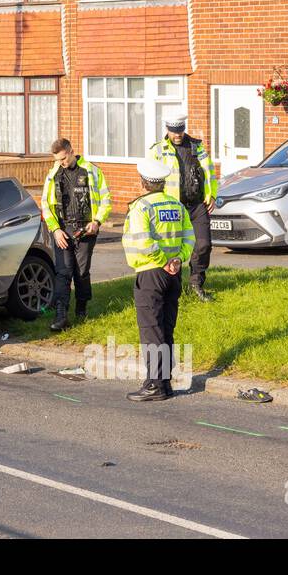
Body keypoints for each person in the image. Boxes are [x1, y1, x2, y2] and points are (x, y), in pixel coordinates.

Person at [121, 158, 195, 402]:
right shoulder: (177, 206)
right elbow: (189, 239)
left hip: (151, 272)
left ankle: (154, 385)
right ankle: (164, 381)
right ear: (162, 183)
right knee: (166, 328)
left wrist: (162, 260)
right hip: (173, 274)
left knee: (151, 330)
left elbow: (144, 242)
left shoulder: (141, 208)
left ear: (143, 182)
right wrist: (177, 260)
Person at [40, 138, 110, 331]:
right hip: (63, 230)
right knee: (63, 272)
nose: (61, 162)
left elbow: (106, 199)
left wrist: (97, 222)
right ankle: (61, 314)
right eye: (57, 159)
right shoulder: (53, 174)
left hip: (86, 229)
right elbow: (45, 205)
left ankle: (81, 309)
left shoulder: (91, 171)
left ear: (71, 151)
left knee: (81, 272)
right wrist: (55, 230)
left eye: (63, 158)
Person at [150, 109, 217, 301]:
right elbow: (150, 178)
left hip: (197, 205)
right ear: (167, 129)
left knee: (203, 244)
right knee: (172, 247)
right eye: (173, 131)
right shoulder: (157, 150)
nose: (177, 134)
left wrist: (211, 195)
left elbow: (209, 172)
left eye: (180, 130)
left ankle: (196, 283)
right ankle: (172, 286)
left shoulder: (197, 146)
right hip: (173, 207)